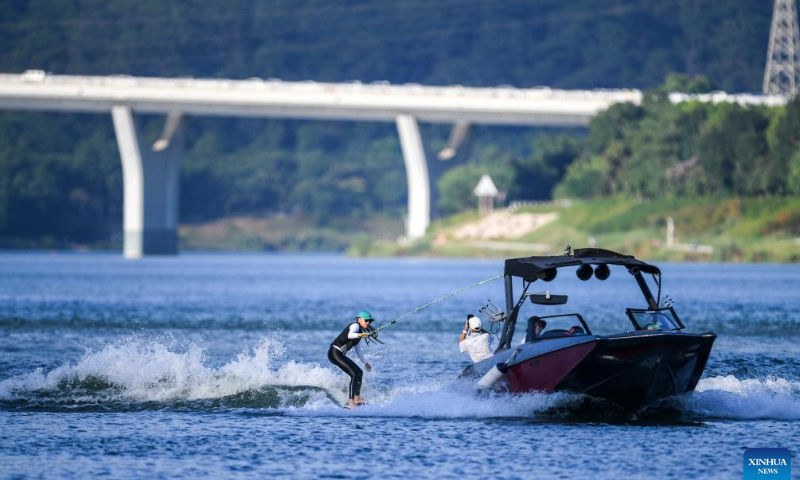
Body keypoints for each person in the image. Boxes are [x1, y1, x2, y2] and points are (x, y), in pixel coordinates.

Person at [328, 310, 374, 408]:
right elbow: (350, 335)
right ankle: (351, 402)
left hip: (339, 354)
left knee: (359, 372)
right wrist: (361, 335)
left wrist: (366, 363)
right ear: (359, 319)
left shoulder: (360, 332)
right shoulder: (355, 326)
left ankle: (357, 398)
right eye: (366, 320)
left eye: (370, 321)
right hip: (334, 352)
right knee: (354, 374)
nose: (368, 323)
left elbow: (358, 350)